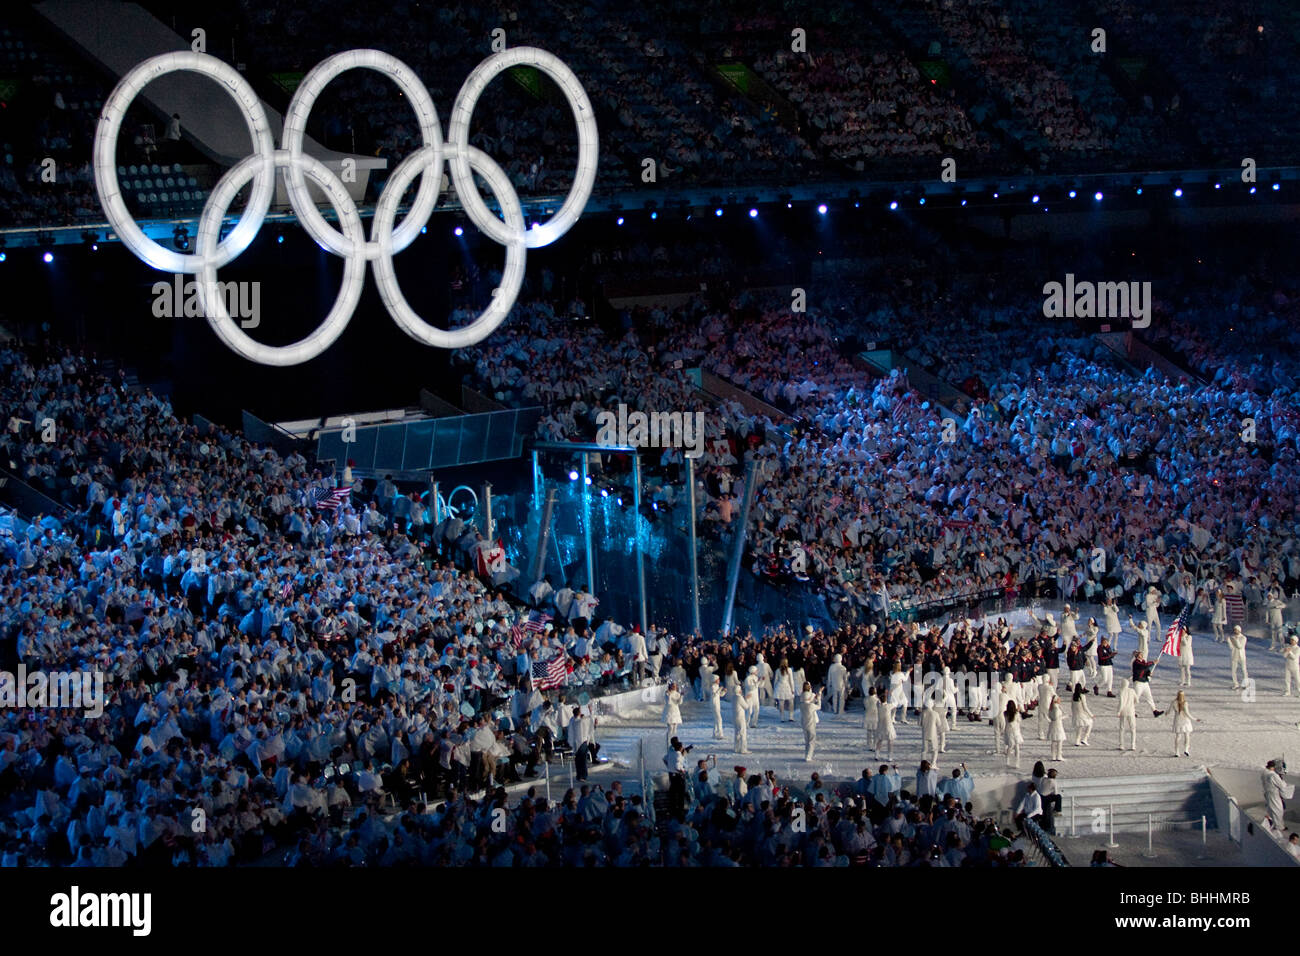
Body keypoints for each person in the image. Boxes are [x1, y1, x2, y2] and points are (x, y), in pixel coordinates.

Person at [1262, 760, 1293, 832]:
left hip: (1267, 793)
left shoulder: (1264, 773)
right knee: (1278, 810)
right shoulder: (1273, 775)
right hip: (1274, 794)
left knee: (1271, 809)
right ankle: (1279, 827)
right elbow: (1282, 785)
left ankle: (1271, 823)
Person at [1166, 690, 1198, 757]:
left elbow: (1169, 711)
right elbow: (1187, 713)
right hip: (1185, 721)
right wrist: (1195, 719)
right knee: (1187, 736)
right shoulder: (1185, 703)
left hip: (1177, 720)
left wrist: (1166, 713)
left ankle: (1177, 752)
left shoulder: (1174, 702)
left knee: (1178, 737)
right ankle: (1186, 750)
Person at [1131, 652, 1161, 716]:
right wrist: (1153, 662)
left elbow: (1146, 669)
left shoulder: (1143, 661)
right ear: (1137, 656)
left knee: (1149, 697)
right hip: (1138, 682)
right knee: (1136, 698)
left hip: (1145, 682)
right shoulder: (1136, 662)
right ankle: (1131, 710)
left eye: (1141, 654)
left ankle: (1154, 711)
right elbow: (1143, 667)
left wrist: (1149, 673)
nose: (1141, 655)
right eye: (1140, 654)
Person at [799, 681, 822, 761]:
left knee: (806, 741)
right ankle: (808, 757)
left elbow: (808, 698)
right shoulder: (811, 706)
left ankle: (806, 755)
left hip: (803, 723)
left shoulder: (801, 702)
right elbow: (819, 706)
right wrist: (819, 698)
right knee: (812, 740)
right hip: (811, 724)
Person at [1117, 678, 1138, 752]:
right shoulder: (1132, 691)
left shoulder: (1121, 691)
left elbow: (1121, 703)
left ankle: (1121, 745)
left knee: (1122, 728)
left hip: (1123, 712)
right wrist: (1132, 705)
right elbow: (1137, 700)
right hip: (1131, 711)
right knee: (1133, 728)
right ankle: (1133, 745)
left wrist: (1118, 711)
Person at [730, 679, 750, 755]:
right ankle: (743, 749)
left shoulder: (733, 697)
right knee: (743, 733)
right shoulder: (739, 697)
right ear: (739, 691)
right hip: (740, 717)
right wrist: (747, 699)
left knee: (737, 733)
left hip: (735, 717)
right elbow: (746, 706)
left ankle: (736, 748)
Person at [875, 687, 896, 758]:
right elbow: (895, 703)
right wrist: (891, 694)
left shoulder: (878, 706)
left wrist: (883, 695)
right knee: (890, 741)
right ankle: (890, 756)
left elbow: (878, 700)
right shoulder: (888, 706)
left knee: (880, 740)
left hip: (880, 725)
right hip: (888, 726)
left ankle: (877, 755)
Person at [920, 702, 943, 766]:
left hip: (924, 734)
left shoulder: (922, 713)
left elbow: (919, 723)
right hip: (933, 734)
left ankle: (923, 764)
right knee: (935, 749)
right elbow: (939, 724)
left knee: (924, 750)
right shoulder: (935, 713)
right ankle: (933, 763)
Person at [1228, 624, 1250, 690]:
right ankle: (1236, 684)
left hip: (1241, 656)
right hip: (1234, 655)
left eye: (1236, 630)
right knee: (1233, 670)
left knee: (1243, 670)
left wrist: (1235, 640)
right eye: (1235, 630)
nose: (1235, 631)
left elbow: (1240, 646)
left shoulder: (1243, 638)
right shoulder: (1232, 638)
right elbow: (1231, 647)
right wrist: (1229, 641)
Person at [1003, 701, 1023, 769]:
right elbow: (1019, 721)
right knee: (1017, 747)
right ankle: (1017, 763)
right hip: (1016, 731)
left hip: (1009, 731)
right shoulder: (1016, 714)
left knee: (1010, 746)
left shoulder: (1005, 713)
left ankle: (1007, 761)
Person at [1047, 693, 1067, 761]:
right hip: (1058, 725)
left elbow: (1050, 716)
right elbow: (1056, 717)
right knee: (1059, 741)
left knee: (1053, 741)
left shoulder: (1052, 708)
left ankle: (1053, 756)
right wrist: (1064, 717)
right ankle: (1059, 756)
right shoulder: (1056, 708)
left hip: (1053, 725)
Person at [708, 674, 725, 740]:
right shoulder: (713, 687)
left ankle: (715, 733)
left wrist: (723, 691)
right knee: (719, 719)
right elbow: (715, 694)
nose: (719, 680)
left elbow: (720, 695)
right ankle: (720, 734)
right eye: (718, 679)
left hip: (717, 704)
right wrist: (720, 689)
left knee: (716, 719)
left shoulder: (717, 686)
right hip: (714, 704)